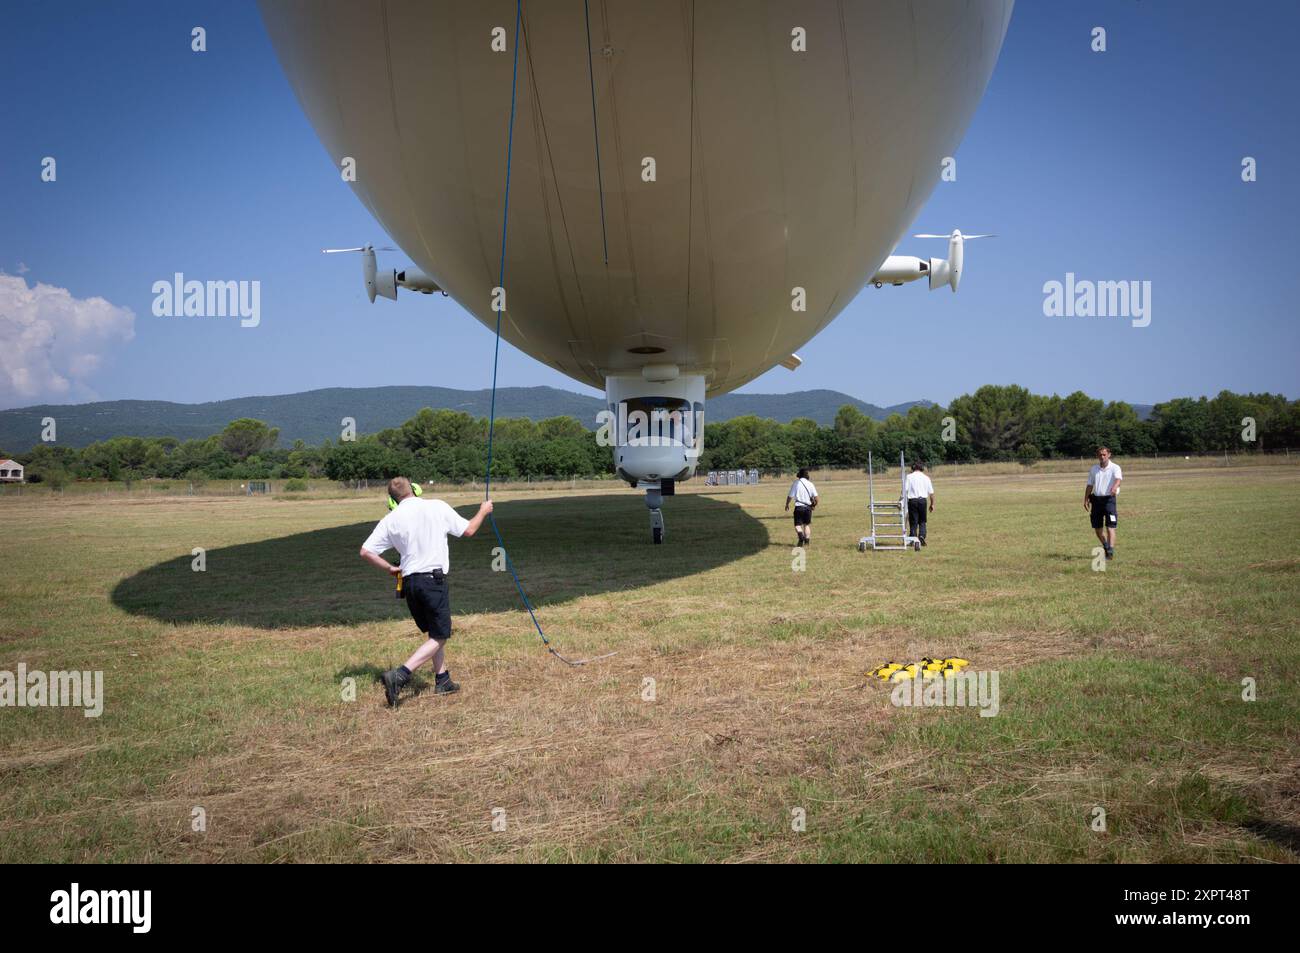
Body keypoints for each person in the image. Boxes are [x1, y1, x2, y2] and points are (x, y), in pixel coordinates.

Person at [359, 476, 493, 707]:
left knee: (433, 632)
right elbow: (469, 530)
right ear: (414, 489)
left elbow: (365, 551)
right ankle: (400, 675)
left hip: (410, 583)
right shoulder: (436, 506)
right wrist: (483, 510)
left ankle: (443, 680)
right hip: (432, 580)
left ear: (392, 498)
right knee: (441, 635)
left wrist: (390, 568)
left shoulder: (391, 519)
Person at [1084, 446, 1122, 560]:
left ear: (1109, 455)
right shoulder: (1094, 469)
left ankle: (1110, 551)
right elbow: (1090, 484)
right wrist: (1085, 498)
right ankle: (1106, 546)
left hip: (1109, 500)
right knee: (1098, 529)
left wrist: (1114, 487)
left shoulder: (1115, 467)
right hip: (1096, 501)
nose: (1102, 457)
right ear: (1097, 456)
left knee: (1110, 527)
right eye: (1100, 455)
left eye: (1104, 454)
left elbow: (1118, 479)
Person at [785, 467, 818, 547]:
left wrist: (787, 504)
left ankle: (800, 537)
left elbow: (790, 496)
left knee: (797, 525)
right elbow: (816, 498)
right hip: (808, 508)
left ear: (799, 475)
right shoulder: (810, 484)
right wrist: (813, 505)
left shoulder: (796, 483)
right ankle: (807, 542)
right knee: (806, 525)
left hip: (799, 507)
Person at [904, 462, 935, 547]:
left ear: (912, 468)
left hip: (912, 501)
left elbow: (905, 490)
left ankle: (913, 538)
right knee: (922, 521)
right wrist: (932, 504)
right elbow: (931, 493)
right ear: (922, 468)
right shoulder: (926, 478)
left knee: (913, 521)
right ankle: (921, 536)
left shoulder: (909, 477)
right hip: (922, 501)